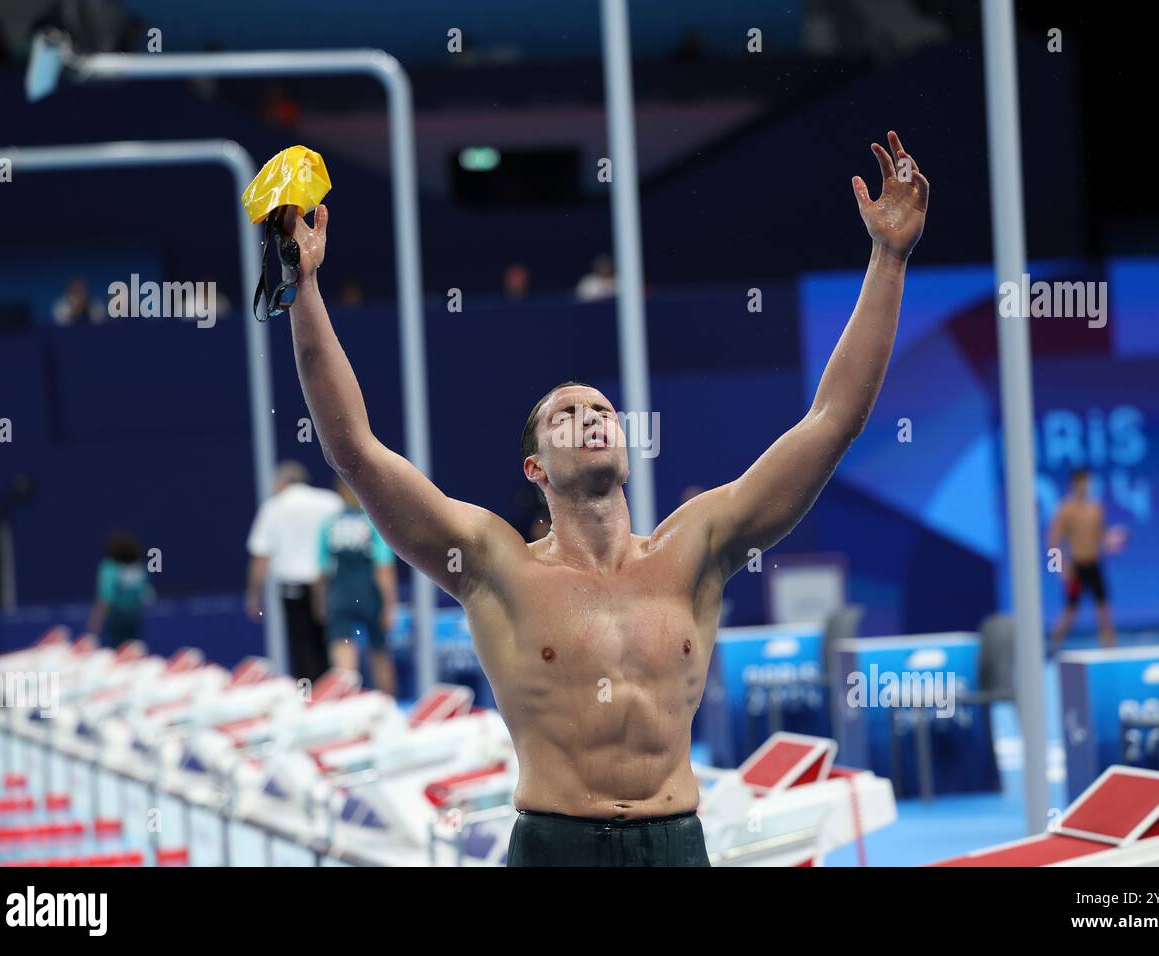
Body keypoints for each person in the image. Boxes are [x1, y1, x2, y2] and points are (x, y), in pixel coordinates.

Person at [278, 130, 927, 866]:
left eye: (602, 411)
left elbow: (833, 420)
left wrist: (889, 259)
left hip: (677, 842)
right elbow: (355, 451)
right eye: (566, 414)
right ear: (534, 469)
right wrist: (303, 290)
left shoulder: (697, 549)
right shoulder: (496, 567)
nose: (590, 416)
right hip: (555, 844)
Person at [246, 461, 344, 683]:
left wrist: (254, 593)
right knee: (334, 643)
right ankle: (335, 695)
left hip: (294, 588)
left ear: (281, 483)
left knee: (302, 646)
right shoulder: (331, 502)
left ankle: (310, 699)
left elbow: (261, 554)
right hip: (331, 585)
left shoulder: (274, 507)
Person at [314, 479, 399, 695]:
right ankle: (388, 707)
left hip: (340, 595)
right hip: (369, 595)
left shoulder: (328, 524)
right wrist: (390, 605)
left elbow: (322, 572)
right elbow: (384, 568)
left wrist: (321, 603)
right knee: (379, 653)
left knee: (343, 657)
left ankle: (346, 708)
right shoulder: (373, 523)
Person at [1046, 468, 1128, 650]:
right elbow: (1053, 540)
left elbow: (1100, 536)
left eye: (1088, 482)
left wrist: (1113, 541)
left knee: (1104, 609)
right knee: (1070, 612)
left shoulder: (1096, 508)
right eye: (1082, 482)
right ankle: (1051, 647)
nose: (1085, 486)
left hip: (1094, 565)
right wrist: (1058, 568)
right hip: (1076, 568)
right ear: (1074, 484)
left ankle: (1110, 651)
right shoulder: (1065, 509)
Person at [86, 531, 153, 648]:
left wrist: (96, 619)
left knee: (117, 651)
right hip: (134, 615)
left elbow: (106, 595)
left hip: (116, 616)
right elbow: (147, 594)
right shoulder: (138, 567)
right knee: (133, 648)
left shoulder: (110, 566)